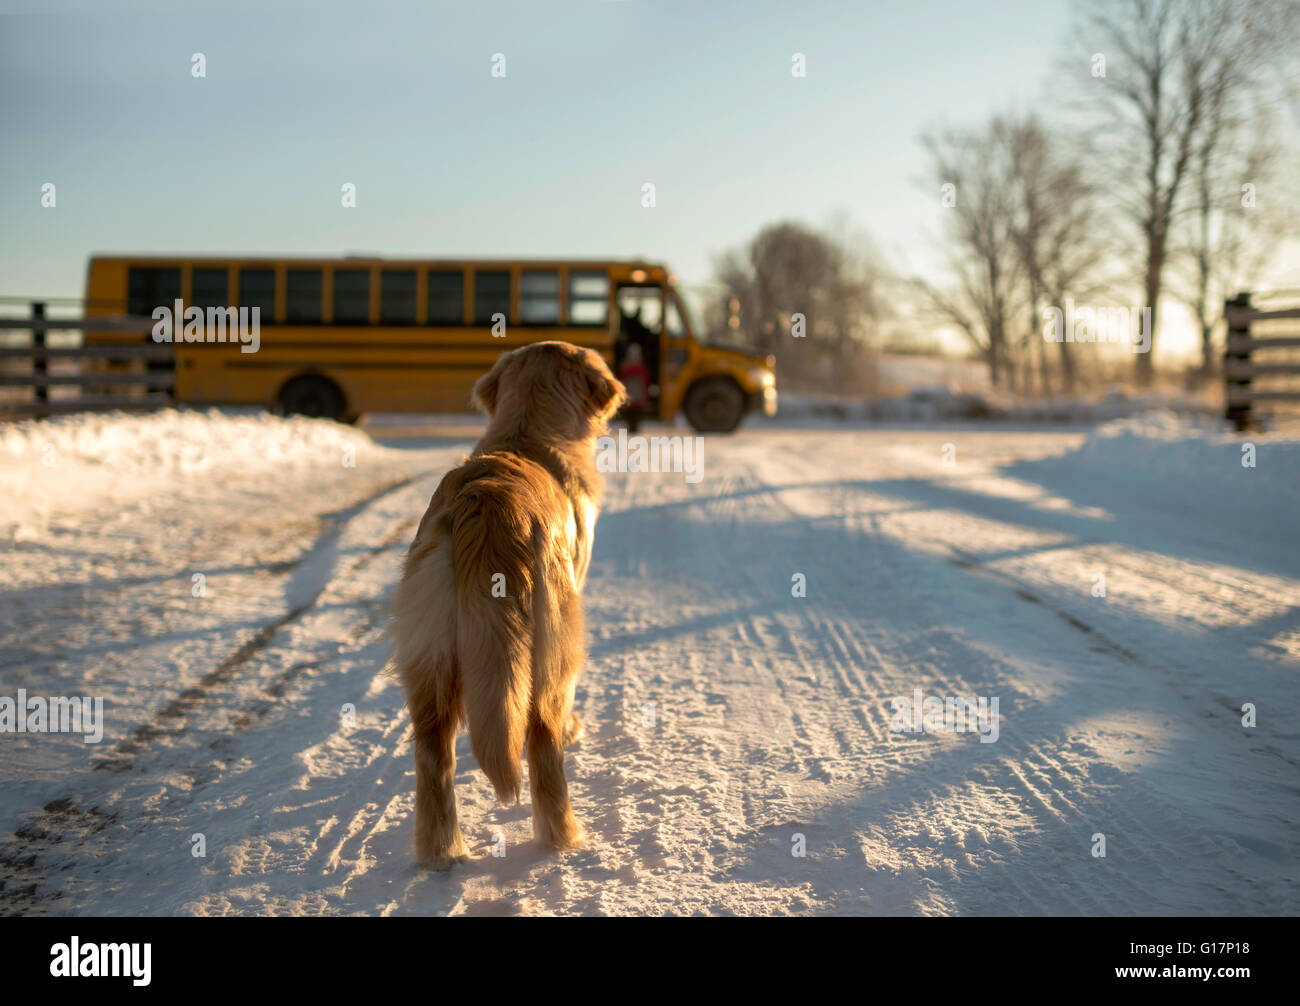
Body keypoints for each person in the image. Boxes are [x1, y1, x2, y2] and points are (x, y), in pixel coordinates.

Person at [617, 342, 652, 433]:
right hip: (639, 398)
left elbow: (621, 382)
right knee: (636, 416)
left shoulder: (625, 368)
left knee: (630, 417)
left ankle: (631, 430)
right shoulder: (643, 369)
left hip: (629, 398)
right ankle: (634, 430)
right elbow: (646, 383)